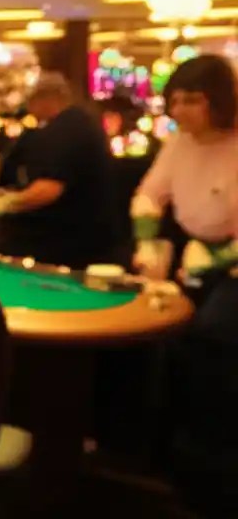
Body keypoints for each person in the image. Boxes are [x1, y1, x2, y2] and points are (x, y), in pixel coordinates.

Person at [128, 54, 238, 515]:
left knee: (212, 347)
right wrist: (147, 239)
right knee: (169, 344)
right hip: (194, 260)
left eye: (191, 100)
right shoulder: (178, 144)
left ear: (219, 101)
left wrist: (219, 258)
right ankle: (170, 461)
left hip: (231, 269)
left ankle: (217, 471)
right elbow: (150, 194)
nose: (179, 111)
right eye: (174, 101)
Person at [0, 73, 124, 268]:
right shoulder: (83, 122)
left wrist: (7, 203)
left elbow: (49, 189)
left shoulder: (64, 130)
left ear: (44, 99)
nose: (30, 110)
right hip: (97, 241)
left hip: (73, 246)